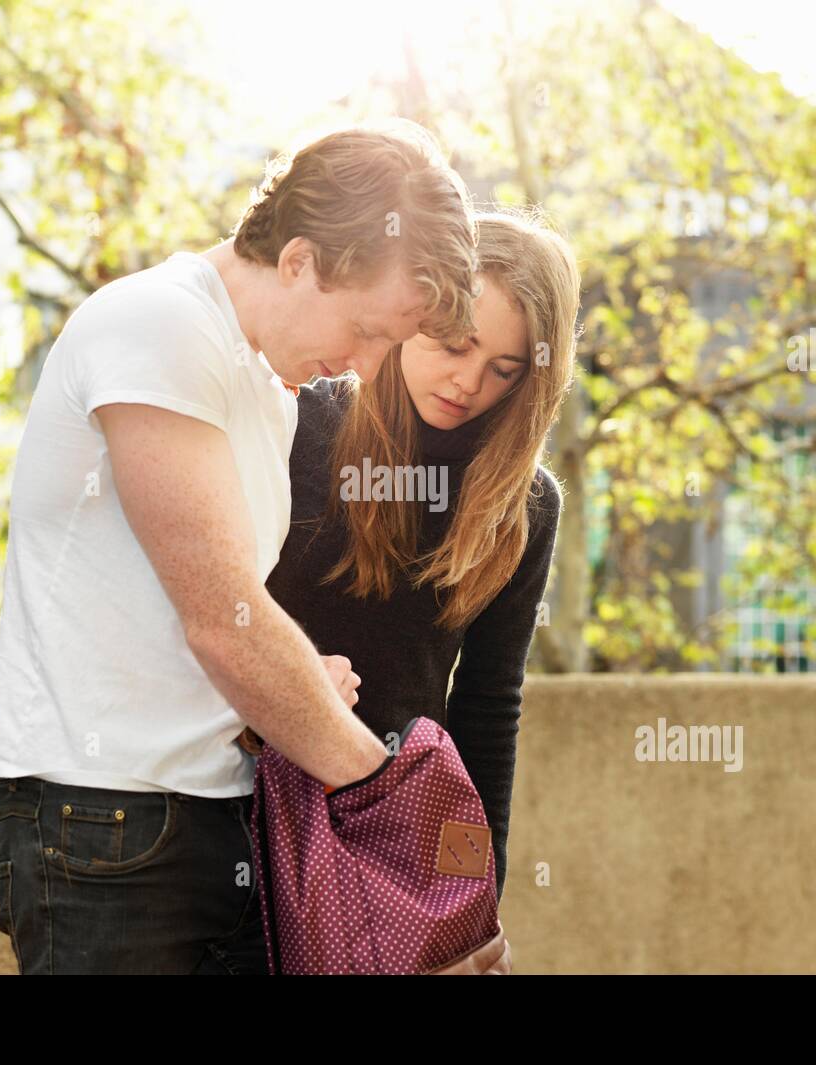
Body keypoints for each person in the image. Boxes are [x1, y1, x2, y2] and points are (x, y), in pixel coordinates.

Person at [0, 121, 479, 974]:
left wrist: (290, 683)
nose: (365, 367)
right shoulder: (158, 326)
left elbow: (217, 610)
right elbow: (223, 625)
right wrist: (388, 807)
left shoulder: (266, 388)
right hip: (104, 829)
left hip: (220, 815)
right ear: (299, 261)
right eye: (368, 329)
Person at [260, 208, 582, 971]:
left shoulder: (525, 508)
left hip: (395, 837)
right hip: (247, 804)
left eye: (505, 369)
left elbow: (488, 705)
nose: (469, 383)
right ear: (411, 313)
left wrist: (476, 903)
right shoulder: (299, 421)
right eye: (454, 343)